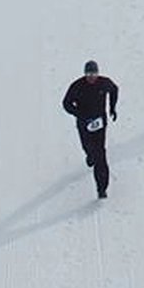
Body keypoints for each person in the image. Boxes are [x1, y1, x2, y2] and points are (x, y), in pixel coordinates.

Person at [62, 60, 119, 199]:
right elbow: (66, 103)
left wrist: (112, 108)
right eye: (88, 73)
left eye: (94, 73)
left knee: (100, 154)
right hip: (84, 124)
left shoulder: (104, 83)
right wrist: (79, 113)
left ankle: (101, 188)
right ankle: (90, 155)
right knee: (88, 148)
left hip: (100, 123)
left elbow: (114, 89)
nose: (91, 76)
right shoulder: (77, 86)